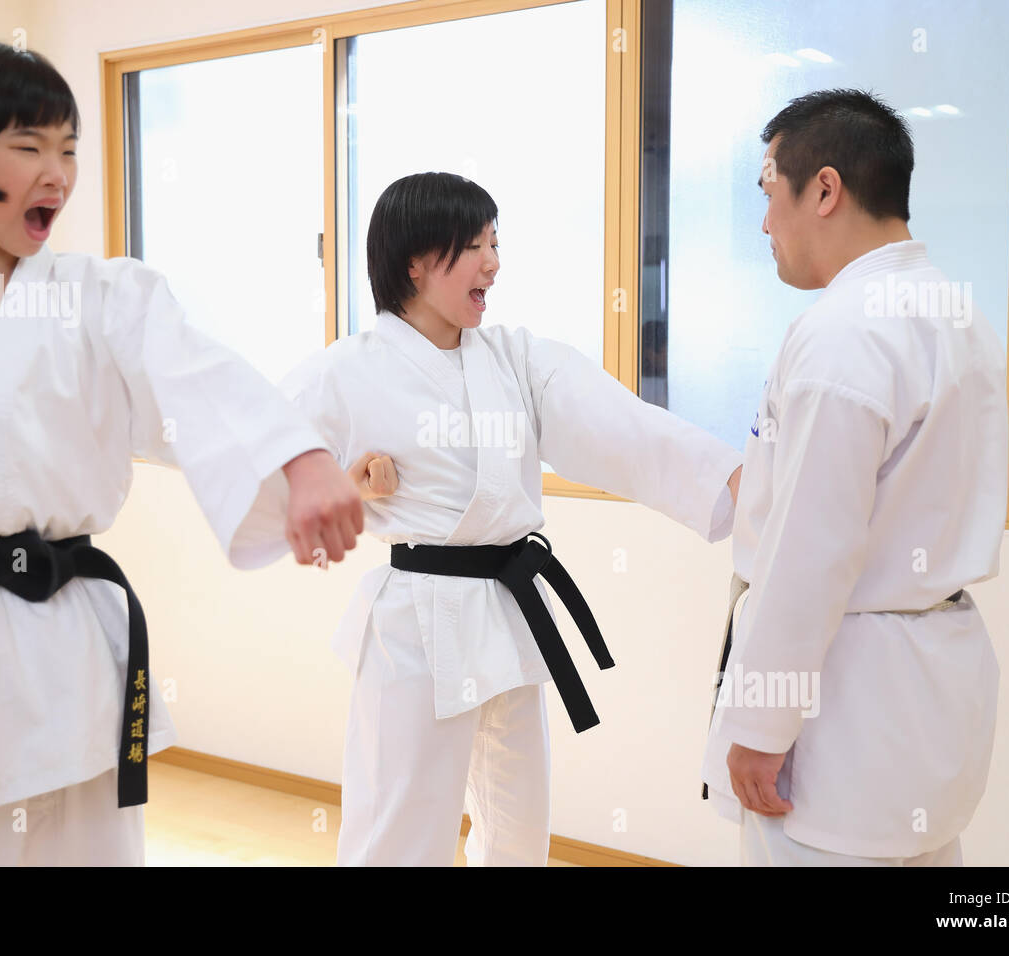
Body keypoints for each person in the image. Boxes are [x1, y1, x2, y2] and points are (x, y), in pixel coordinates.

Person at [0, 42, 361, 865]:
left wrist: (301, 457)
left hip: (72, 635)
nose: (58, 174)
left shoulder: (105, 295)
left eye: (69, 149)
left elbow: (199, 376)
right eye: (29, 146)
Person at [281, 171, 743, 866]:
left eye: (495, 243)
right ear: (415, 262)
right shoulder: (346, 370)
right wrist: (347, 486)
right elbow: (268, 464)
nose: (492, 263)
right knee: (401, 827)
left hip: (506, 611)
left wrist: (742, 484)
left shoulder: (514, 358)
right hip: (417, 624)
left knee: (519, 825)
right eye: (473, 246)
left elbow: (623, 426)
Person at [700, 89, 1008, 866]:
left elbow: (808, 557)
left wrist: (758, 728)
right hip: (932, 692)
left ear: (826, 189)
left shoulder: (843, 334)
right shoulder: (958, 315)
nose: (766, 223)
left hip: (842, 719)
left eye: (769, 194)